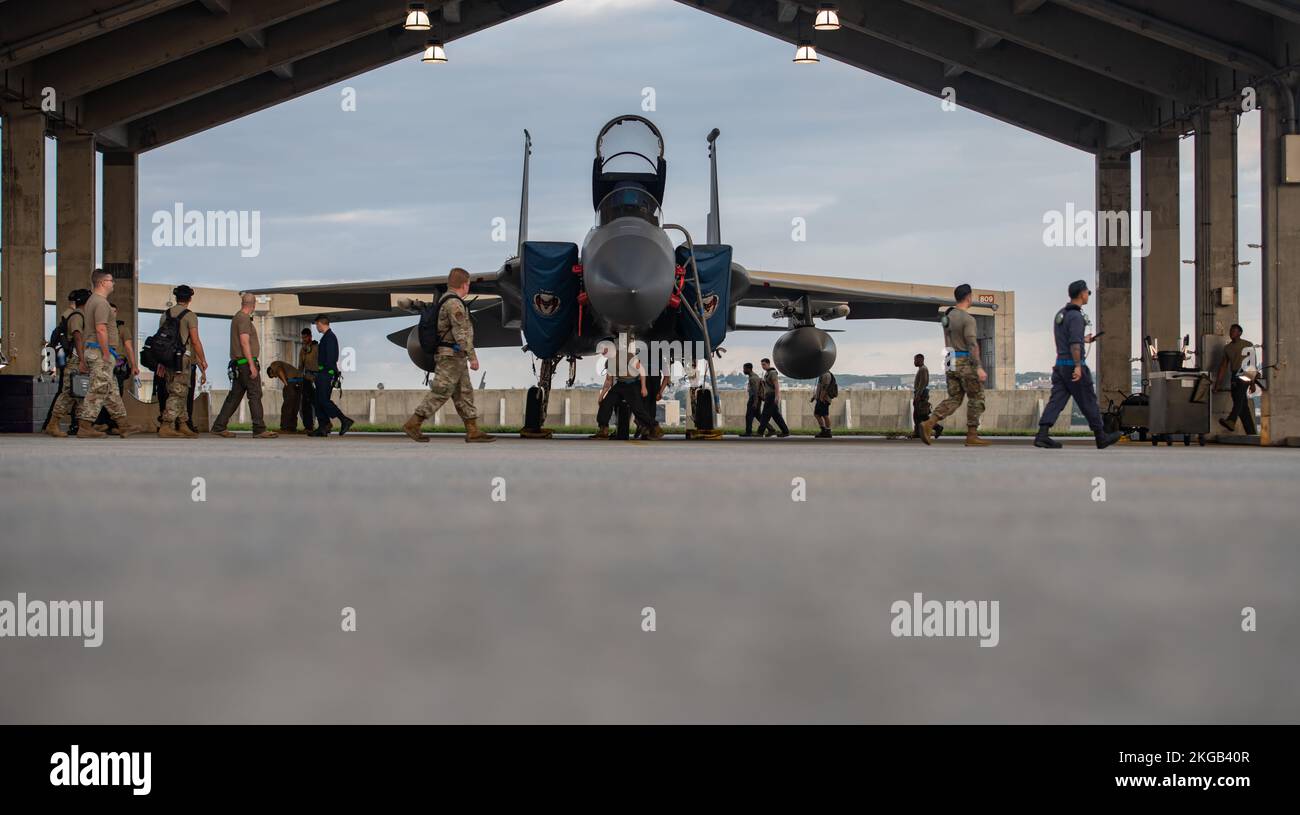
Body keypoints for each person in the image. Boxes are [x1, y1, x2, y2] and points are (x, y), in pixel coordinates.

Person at [398, 268, 493, 442]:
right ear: (464, 285)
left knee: (464, 393)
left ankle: (472, 430)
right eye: (468, 285)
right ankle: (414, 423)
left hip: (455, 356)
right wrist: (472, 357)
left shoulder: (445, 300)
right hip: (450, 356)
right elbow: (461, 333)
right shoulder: (454, 304)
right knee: (441, 391)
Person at [1033, 280, 1123, 449]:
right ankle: (1100, 436)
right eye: (1088, 292)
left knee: (1057, 400)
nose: (1088, 295)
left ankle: (1042, 434)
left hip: (1060, 364)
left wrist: (1084, 339)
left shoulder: (1062, 314)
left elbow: (1069, 339)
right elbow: (1074, 344)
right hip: (1072, 365)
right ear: (1082, 293)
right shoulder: (1076, 316)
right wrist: (1078, 366)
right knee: (1088, 399)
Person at [919, 284, 987, 446]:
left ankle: (929, 423)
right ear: (969, 297)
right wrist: (978, 367)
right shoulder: (968, 319)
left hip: (950, 359)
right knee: (977, 397)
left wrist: (949, 363)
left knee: (955, 398)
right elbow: (972, 344)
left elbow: (946, 341)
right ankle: (972, 435)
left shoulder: (947, 317)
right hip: (964, 362)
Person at [76, 269, 139, 438]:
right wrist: (105, 352)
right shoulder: (102, 303)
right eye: (111, 280)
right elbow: (101, 328)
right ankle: (85, 426)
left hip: (95, 350)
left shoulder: (91, 301)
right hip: (100, 351)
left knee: (111, 391)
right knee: (98, 389)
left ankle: (123, 425)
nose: (113, 283)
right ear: (103, 283)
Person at [210, 292, 277, 439]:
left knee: (234, 397)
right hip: (246, 364)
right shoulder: (244, 318)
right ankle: (259, 429)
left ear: (242, 303)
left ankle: (219, 426)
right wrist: (252, 365)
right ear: (253, 305)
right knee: (255, 395)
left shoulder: (237, 317)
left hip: (239, 365)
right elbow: (244, 341)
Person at [156, 285, 207, 438]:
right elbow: (195, 340)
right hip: (182, 358)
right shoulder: (190, 316)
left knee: (179, 391)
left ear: (176, 297)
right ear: (190, 299)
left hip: (167, 358)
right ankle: (166, 425)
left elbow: (161, 340)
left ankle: (183, 424)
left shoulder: (165, 314)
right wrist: (202, 360)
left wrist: (160, 362)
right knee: (178, 392)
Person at [589, 339, 661, 440]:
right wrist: (602, 396)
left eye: (604, 350)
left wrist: (643, 387)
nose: (603, 353)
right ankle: (603, 430)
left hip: (632, 385)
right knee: (605, 404)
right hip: (620, 385)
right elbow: (609, 381)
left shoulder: (627, 356)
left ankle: (655, 427)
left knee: (638, 410)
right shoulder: (609, 362)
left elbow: (642, 371)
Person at [44, 288, 90, 437]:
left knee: (81, 395)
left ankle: (83, 426)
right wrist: (82, 360)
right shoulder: (77, 316)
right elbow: (77, 337)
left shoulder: (82, 315)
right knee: (68, 393)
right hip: (75, 360)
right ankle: (52, 424)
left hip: (80, 359)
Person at [308, 314, 354, 437]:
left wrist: (326, 371)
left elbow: (331, 358)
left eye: (316, 324)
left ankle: (344, 419)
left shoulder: (330, 338)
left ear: (320, 323)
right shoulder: (326, 337)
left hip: (326, 374)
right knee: (318, 401)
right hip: (323, 373)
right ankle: (323, 426)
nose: (316, 327)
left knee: (323, 400)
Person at [1216, 323, 1257, 435]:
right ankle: (1251, 432)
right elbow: (1223, 366)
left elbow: (1252, 363)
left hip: (1245, 372)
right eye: (1230, 331)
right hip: (1234, 375)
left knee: (1239, 398)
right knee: (1242, 405)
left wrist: (1252, 383)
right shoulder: (1227, 348)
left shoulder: (1248, 344)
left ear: (1239, 333)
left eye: (1234, 331)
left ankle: (1231, 420)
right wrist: (1218, 384)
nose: (1231, 333)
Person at [267, 360, 306, 433]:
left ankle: (285, 428)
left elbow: (279, 370)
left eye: (273, 376)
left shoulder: (273, 364)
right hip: (300, 381)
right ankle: (292, 427)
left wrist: (286, 383)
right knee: (295, 405)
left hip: (291, 382)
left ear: (271, 371)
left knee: (287, 406)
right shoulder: (285, 366)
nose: (275, 377)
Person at [755, 358, 789, 437]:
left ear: (768, 364)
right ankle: (785, 431)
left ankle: (760, 432)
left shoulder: (772, 373)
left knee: (765, 415)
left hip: (772, 396)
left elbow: (776, 385)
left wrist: (777, 396)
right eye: (762, 365)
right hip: (768, 395)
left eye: (764, 364)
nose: (763, 366)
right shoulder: (767, 373)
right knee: (776, 416)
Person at [911, 353, 942, 439]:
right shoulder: (921, 369)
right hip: (920, 394)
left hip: (921, 395)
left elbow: (923, 383)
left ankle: (937, 427)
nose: (914, 362)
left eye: (915, 360)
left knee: (922, 415)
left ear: (921, 360)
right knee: (917, 416)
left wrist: (918, 395)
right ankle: (917, 433)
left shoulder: (923, 369)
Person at [298, 327, 318, 433]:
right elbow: (300, 366)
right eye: (302, 337)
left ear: (310, 336)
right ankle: (308, 426)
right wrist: (299, 377)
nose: (304, 339)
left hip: (316, 377)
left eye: (305, 337)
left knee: (317, 402)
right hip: (306, 377)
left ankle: (323, 424)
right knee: (305, 403)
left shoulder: (316, 347)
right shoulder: (303, 349)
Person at [740, 362, 763, 436]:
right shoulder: (754, 376)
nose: (743, 370)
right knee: (758, 415)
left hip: (754, 399)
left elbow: (755, 391)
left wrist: (755, 402)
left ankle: (748, 432)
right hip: (755, 399)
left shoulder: (753, 378)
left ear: (749, 369)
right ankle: (770, 428)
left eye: (744, 369)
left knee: (749, 416)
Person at [812, 370, 836, 438]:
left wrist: (821, 398)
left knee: (825, 415)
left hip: (824, 399)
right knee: (817, 414)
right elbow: (820, 387)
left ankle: (827, 431)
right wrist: (815, 397)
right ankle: (824, 430)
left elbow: (825, 387)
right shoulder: (822, 374)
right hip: (821, 398)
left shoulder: (826, 375)